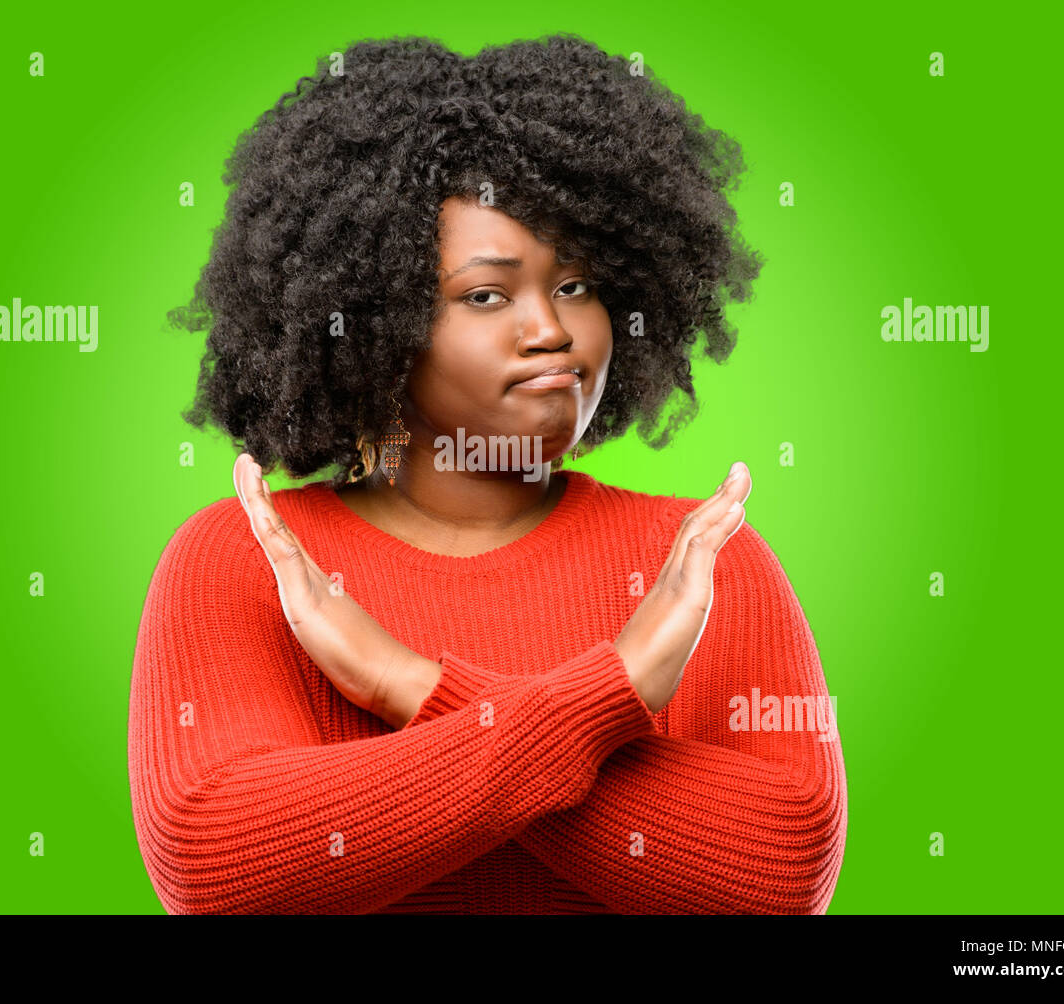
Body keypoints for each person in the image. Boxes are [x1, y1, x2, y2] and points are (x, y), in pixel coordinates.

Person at [129, 33, 847, 914]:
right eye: (486, 294)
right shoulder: (249, 561)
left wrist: (409, 685)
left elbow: (782, 872)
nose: (549, 328)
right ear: (375, 317)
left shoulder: (702, 561)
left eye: (578, 285)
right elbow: (218, 861)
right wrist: (611, 695)